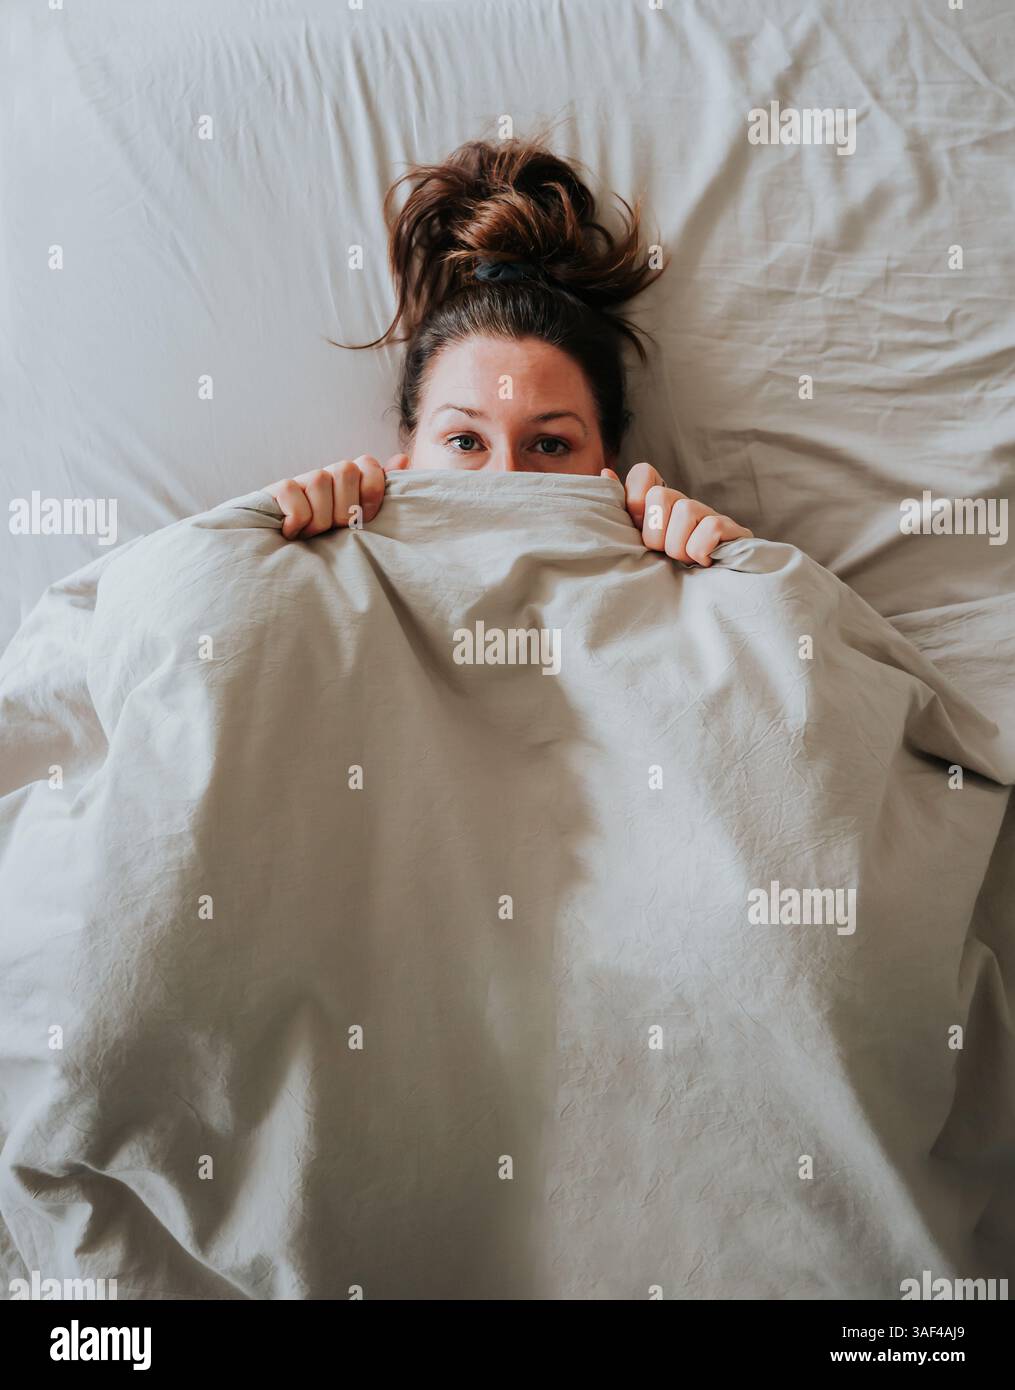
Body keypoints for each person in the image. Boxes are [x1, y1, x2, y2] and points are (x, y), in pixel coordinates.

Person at [267, 134, 753, 567]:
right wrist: (271, 541)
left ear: (611, 467)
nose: (507, 480)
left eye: (549, 445)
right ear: (405, 458)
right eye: (464, 441)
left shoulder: (688, 590)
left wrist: (733, 570)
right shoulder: (320, 571)